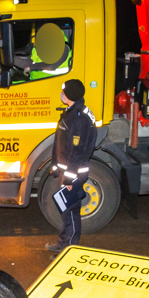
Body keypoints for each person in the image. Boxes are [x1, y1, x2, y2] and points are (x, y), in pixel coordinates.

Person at [46, 78, 96, 253]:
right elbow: (59, 141)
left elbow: (78, 151)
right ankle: (62, 244)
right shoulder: (71, 112)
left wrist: (69, 178)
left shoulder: (79, 118)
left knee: (71, 211)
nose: (61, 94)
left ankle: (70, 247)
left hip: (73, 173)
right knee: (66, 210)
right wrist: (55, 164)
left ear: (69, 95)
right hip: (66, 171)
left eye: (64, 91)